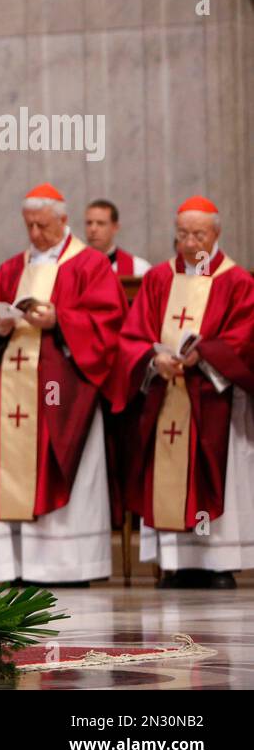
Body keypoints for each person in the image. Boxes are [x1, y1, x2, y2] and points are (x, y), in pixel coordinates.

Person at [0, 184, 127, 585]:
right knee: (12, 470)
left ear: (63, 220)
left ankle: (66, 567)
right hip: (13, 391)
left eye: (43, 225)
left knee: (60, 468)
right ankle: (15, 567)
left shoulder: (90, 265)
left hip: (65, 396)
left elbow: (110, 325)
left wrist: (62, 321)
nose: (36, 233)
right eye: (29, 226)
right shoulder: (11, 269)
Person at [113, 196, 254, 588]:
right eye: (182, 235)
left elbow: (244, 339)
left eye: (198, 234)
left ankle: (217, 564)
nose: (190, 244)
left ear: (217, 233)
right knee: (167, 475)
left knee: (215, 473)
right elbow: (133, 334)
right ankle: (175, 563)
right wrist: (153, 361)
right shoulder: (159, 279)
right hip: (166, 396)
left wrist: (203, 356)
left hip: (213, 400)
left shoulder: (237, 281)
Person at [84, 199, 152, 277]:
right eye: (89, 223)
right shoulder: (73, 266)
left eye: (100, 223)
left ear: (115, 228)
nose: (93, 229)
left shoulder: (139, 269)